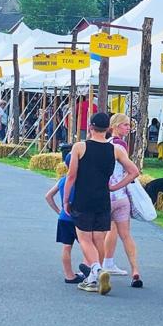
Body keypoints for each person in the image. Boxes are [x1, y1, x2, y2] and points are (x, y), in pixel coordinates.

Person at [65, 112, 141, 295]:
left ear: (90, 127)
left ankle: (97, 270)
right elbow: (134, 171)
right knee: (99, 238)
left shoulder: (80, 147)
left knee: (85, 238)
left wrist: (66, 199)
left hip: (84, 198)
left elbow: (71, 175)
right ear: (108, 128)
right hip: (103, 198)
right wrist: (115, 187)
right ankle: (94, 276)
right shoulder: (115, 149)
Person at [94, 113, 144, 288]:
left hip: (106, 196)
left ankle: (101, 266)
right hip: (121, 196)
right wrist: (118, 186)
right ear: (114, 126)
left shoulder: (104, 144)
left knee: (101, 233)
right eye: (125, 125)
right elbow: (133, 171)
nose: (128, 128)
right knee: (125, 235)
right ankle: (135, 269)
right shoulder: (120, 145)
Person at [45, 172, 88, 285]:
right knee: (88, 245)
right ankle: (87, 271)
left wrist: (59, 211)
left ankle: (69, 275)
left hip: (64, 217)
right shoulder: (82, 180)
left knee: (67, 246)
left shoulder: (62, 180)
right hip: (79, 217)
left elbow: (48, 196)